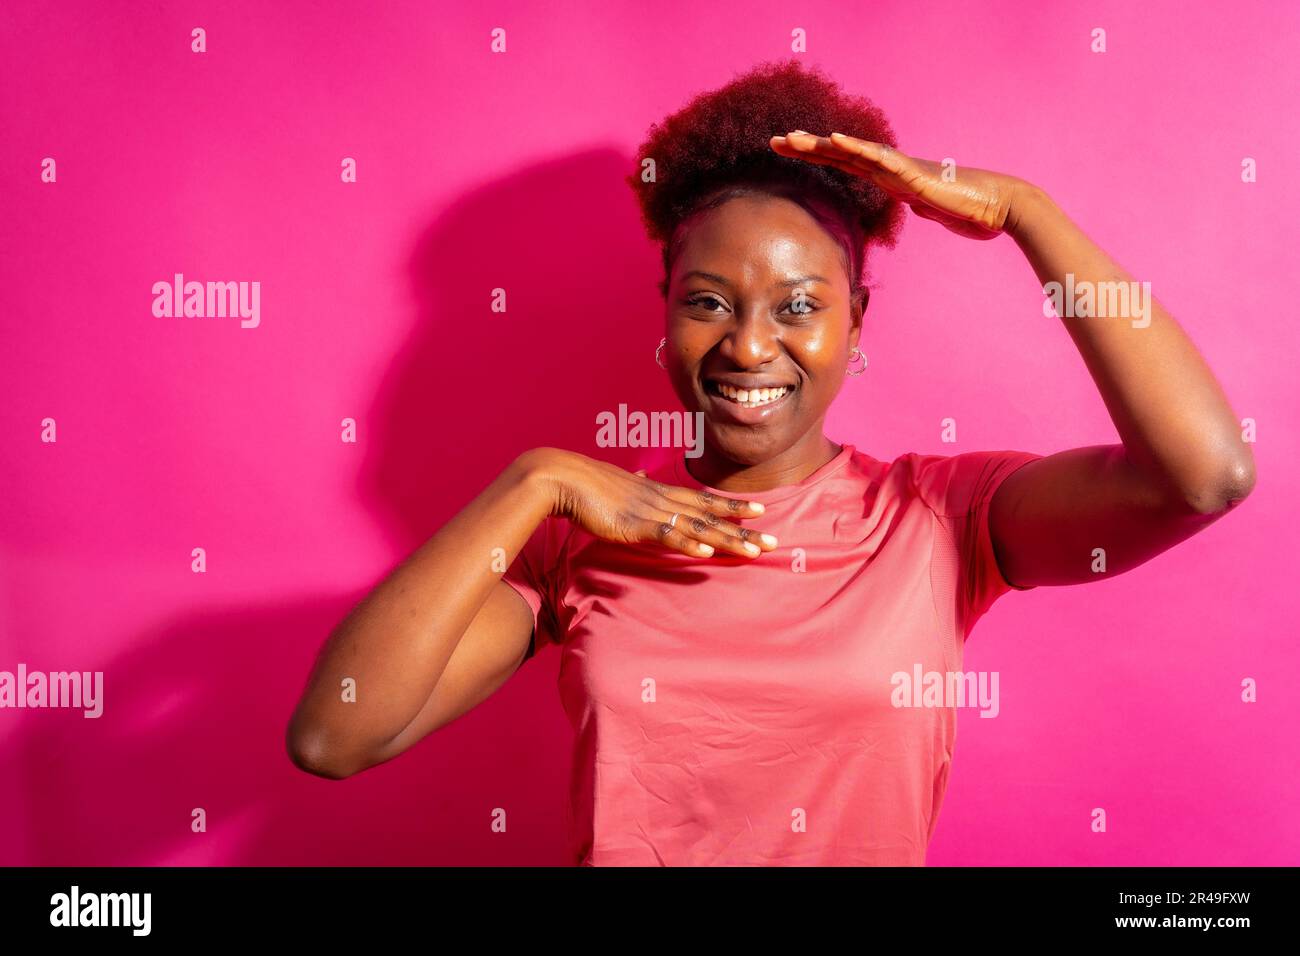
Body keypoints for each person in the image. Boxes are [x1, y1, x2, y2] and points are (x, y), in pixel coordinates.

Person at [286, 60, 1255, 866]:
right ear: (663, 312)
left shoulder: (935, 516)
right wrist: (532, 480)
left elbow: (1203, 475)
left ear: (855, 323)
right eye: (708, 302)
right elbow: (335, 734)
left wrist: (1020, 211)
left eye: (798, 306)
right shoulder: (577, 532)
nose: (750, 347)